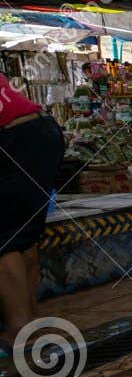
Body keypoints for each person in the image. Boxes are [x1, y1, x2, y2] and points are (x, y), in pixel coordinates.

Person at [0, 74, 67, 352]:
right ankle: (30, 320)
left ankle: (19, 328)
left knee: (4, 239)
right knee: (23, 236)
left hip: (16, 138)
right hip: (42, 133)